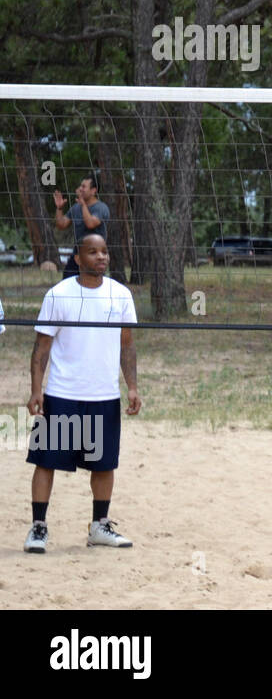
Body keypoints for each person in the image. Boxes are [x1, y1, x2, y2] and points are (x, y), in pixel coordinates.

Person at [24, 233, 141, 554]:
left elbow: (127, 346)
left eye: (104, 251)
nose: (101, 257)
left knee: (104, 465)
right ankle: (38, 527)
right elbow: (41, 348)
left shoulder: (121, 295)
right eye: (92, 252)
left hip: (104, 395)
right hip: (62, 393)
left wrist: (131, 386)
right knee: (46, 462)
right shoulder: (58, 295)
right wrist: (37, 389)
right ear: (78, 258)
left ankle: (99, 526)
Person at [53, 174, 110, 279]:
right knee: (68, 281)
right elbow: (61, 225)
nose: (80, 189)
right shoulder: (76, 208)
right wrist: (59, 209)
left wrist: (83, 205)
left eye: (84, 187)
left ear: (94, 191)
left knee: (93, 284)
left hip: (95, 255)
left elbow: (90, 223)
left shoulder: (101, 208)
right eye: (80, 186)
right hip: (78, 254)